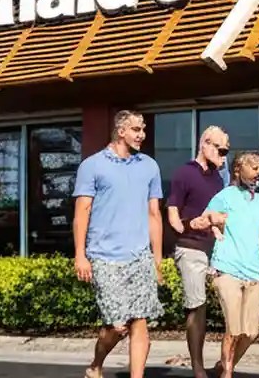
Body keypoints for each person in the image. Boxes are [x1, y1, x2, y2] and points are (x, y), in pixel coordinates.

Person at [72, 110, 165, 378]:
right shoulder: (92, 165)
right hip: (104, 256)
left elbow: (154, 214)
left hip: (139, 256)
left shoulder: (149, 166)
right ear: (121, 131)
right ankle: (96, 365)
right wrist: (80, 255)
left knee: (139, 322)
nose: (142, 135)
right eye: (136, 129)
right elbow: (82, 212)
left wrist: (157, 259)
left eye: (143, 129)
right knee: (116, 326)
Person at [190, 151, 259, 378]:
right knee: (234, 329)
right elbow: (200, 221)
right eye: (254, 168)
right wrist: (213, 223)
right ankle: (227, 374)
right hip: (227, 269)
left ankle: (223, 367)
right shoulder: (225, 196)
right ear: (238, 170)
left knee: (251, 332)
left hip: (253, 272)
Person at [165, 126, 230, 378]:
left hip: (215, 248)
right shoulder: (185, 173)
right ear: (205, 144)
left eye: (226, 151)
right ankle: (198, 367)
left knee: (233, 305)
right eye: (220, 149)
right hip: (191, 247)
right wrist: (188, 226)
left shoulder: (218, 179)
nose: (223, 155)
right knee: (197, 306)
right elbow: (173, 212)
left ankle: (225, 363)